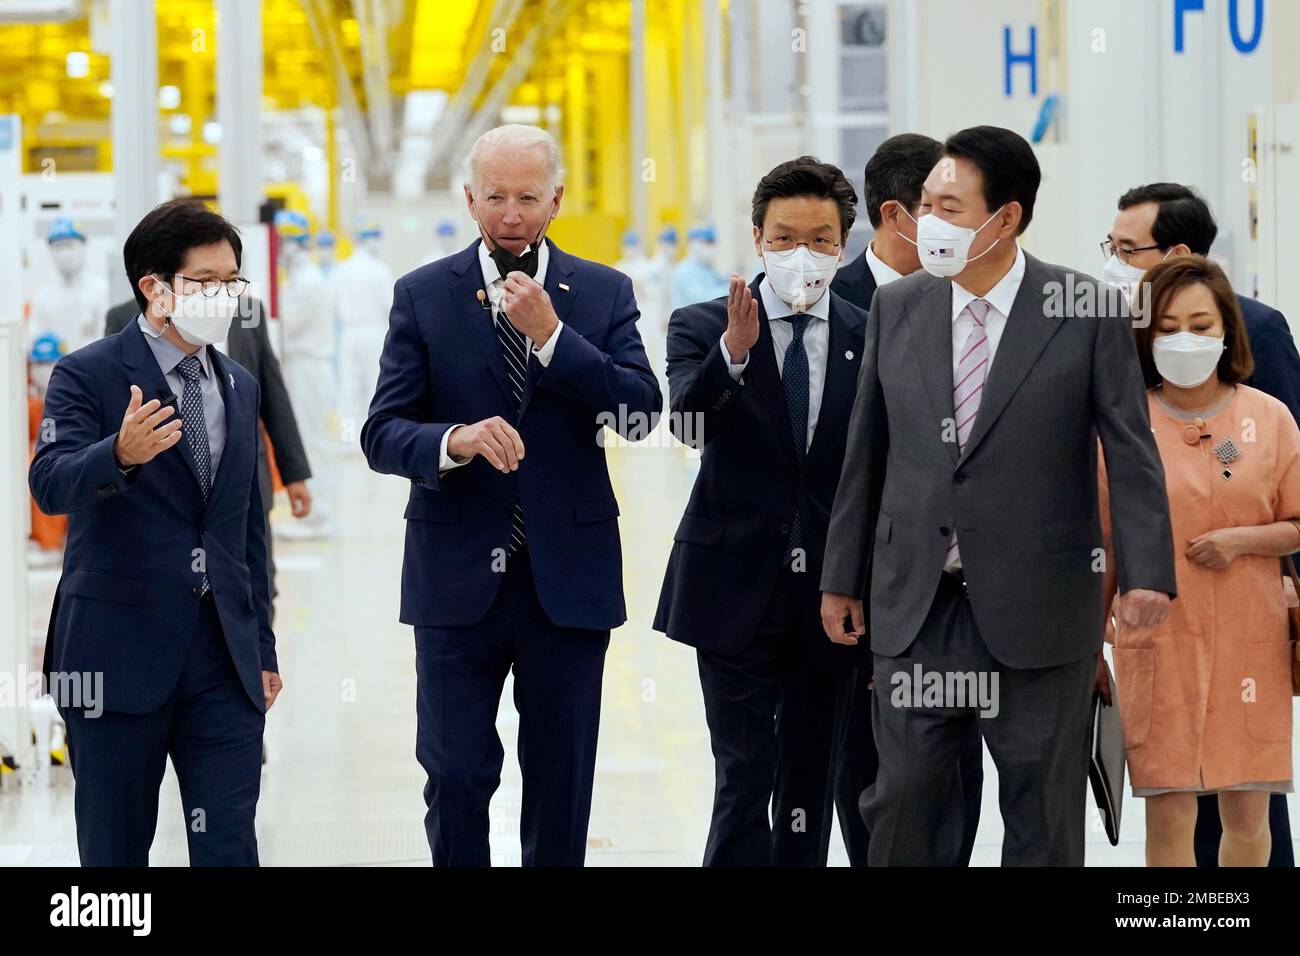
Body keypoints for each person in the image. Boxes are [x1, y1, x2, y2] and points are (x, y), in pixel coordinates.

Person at [819, 126, 1177, 866]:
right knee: (905, 798)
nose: (929, 223)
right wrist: (839, 578)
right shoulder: (901, 307)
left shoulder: (1085, 309)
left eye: (950, 207)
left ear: (1005, 218)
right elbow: (867, 452)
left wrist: (1145, 575)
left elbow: (1132, 453)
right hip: (919, 602)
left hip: (1041, 608)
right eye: (925, 205)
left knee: (1040, 814)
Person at [360, 124, 661, 866]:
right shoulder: (424, 296)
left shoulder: (601, 292)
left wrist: (555, 337)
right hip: (456, 577)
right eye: (496, 196)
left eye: (528, 196)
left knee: (561, 779)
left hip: (568, 574)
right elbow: (381, 432)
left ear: (556, 199)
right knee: (457, 773)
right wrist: (453, 440)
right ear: (469, 199)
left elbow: (640, 411)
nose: (512, 213)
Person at [29, 198, 282, 866]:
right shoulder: (88, 373)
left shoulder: (238, 382)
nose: (224, 295)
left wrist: (263, 647)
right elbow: (49, 485)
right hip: (116, 657)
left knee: (228, 841)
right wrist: (117, 455)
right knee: (114, 850)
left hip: (222, 661)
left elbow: (244, 528)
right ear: (155, 287)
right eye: (206, 281)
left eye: (232, 280)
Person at [655, 157, 866, 866]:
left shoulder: (872, 334)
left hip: (833, 591)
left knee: (809, 778)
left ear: (845, 243)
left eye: (820, 237)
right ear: (756, 238)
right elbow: (686, 426)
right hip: (731, 583)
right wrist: (733, 356)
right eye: (783, 237)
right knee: (743, 773)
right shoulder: (699, 325)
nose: (801, 253)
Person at [1102, 182, 1299, 865]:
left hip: (1252, 634)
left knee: (1250, 809)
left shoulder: (1266, 417)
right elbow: (1099, 535)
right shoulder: (1124, 422)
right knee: (1171, 810)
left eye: (1201, 326)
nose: (1185, 341)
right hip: (1158, 639)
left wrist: (1242, 541)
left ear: (1227, 331)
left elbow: (1296, 519)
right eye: (1168, 328)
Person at [828, 132, 983, 868]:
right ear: (900, 213)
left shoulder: (988, 305)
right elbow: (846, 462)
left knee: (958, 775)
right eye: (942, 207)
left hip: (974, 594)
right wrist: (842, 580)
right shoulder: (834, 305)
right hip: (867, 590)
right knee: (873, 777)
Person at [105, 294, 313, 603]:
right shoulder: (126, 317)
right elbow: (116, 405)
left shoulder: (247, 313)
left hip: (243, 479)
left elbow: (271, 392)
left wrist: (294, 473)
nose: (221, 286)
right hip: (167, 485)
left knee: (257, 587)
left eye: (230, 276)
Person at [275, 210, 336, 539]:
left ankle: (319, 514)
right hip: (302, 367)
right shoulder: (300, 279)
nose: (282, 249)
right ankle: (313, 511)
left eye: (286, 242)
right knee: (307, 439)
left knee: (312, 441)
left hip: (308, 367)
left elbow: (285, 327)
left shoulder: (308, 282)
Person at [334, 217, 395, 433]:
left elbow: (334, 306)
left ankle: (349, 440)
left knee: (348, 389)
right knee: (374, 387)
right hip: (374, 333)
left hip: (348, 335)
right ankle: (373, 437)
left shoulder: (342, 269)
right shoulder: (380, 270)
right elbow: (391, 308)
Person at [29, 217, 109, 355]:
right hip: (54, 369)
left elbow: (107, 336)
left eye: (70, 246)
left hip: (91, 367)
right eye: (58, 247)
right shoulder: (43, 296)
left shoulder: (100, 290)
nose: (64, 254)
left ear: (83, 247)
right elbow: (34, 339)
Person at [671, 224, 729, 308]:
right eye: (707, 243)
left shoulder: (706, 267)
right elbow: (702, 299)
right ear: (695, 244)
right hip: (688, 319)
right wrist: (731, 289)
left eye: (713, 244)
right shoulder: (685, 270)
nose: (711, 248)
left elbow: (717, 283)